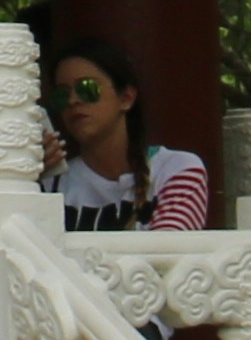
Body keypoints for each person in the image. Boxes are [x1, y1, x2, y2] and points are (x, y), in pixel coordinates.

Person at [42, 37, 212, 232]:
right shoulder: (52, 184)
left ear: (126, 98)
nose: (73, 101)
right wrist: (29, 180)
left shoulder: (176, 169)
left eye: (87, 88)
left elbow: (168, 247)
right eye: (62, 95)